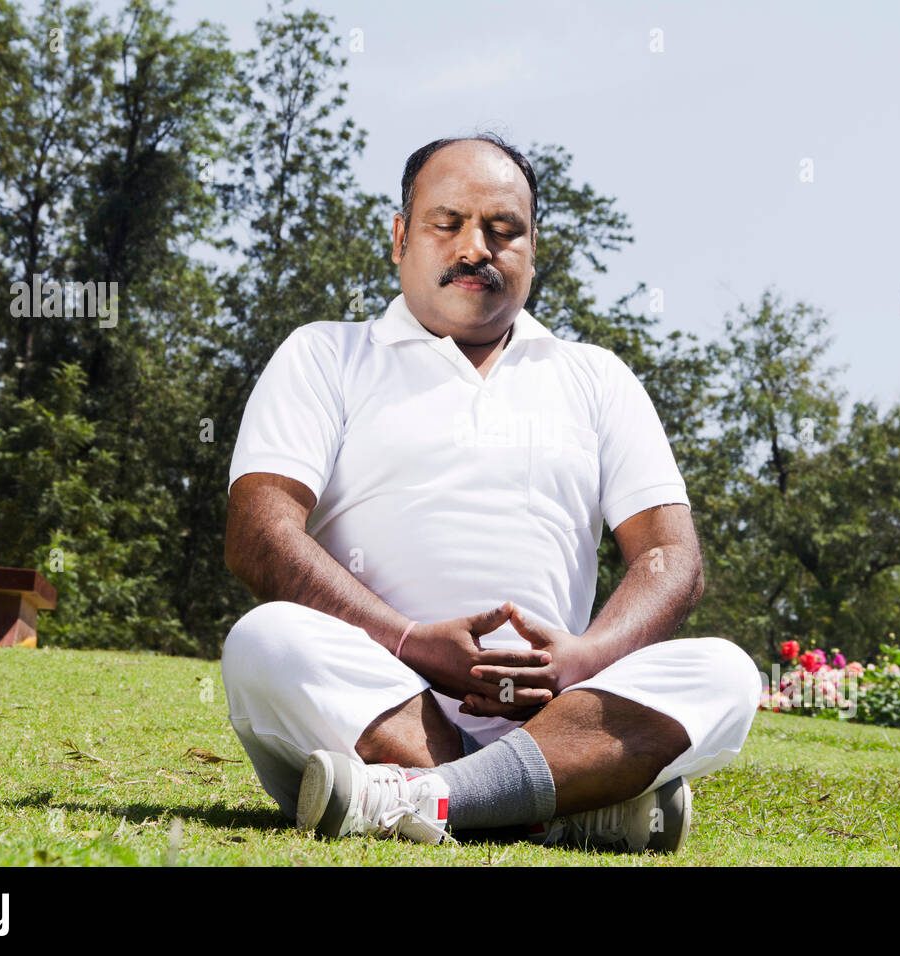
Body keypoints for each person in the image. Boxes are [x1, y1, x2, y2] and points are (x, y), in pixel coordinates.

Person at [220, 133, 761, 853]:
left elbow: (672, 557)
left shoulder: (595, 376)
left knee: (726, 671)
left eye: (504, 231)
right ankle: (553, 807)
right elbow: (258, 533)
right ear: (401, 236)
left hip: (561, 714)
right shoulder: (326, 354)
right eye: (448, 223)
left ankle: (428, 801)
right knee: (266, 641)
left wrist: (586, 657)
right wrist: (411, 642)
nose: (477, 247)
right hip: (372, 705)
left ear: (533, 251)